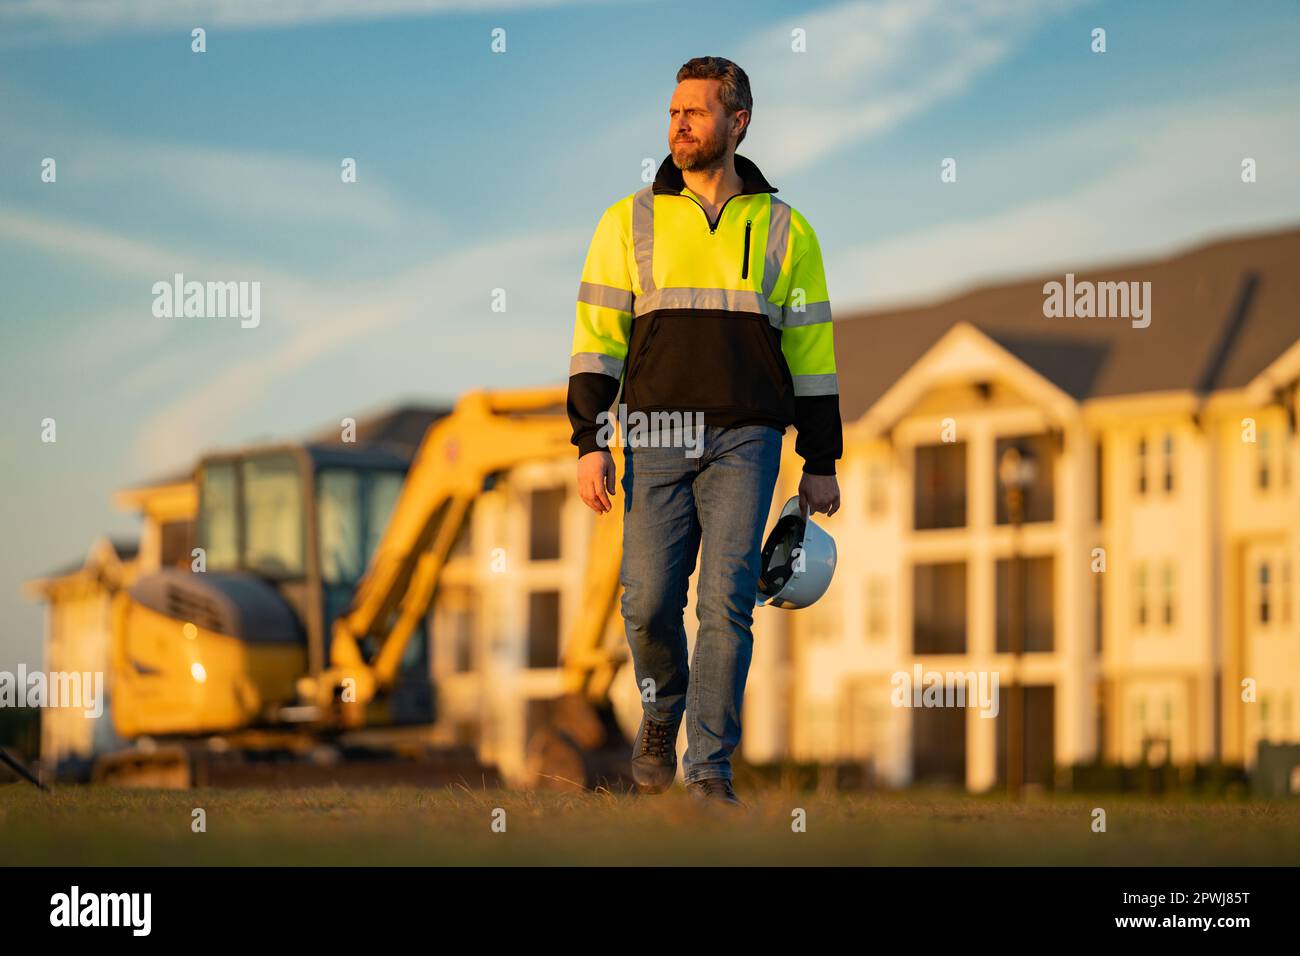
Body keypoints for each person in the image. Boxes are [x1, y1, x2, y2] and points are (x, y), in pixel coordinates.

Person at [566, 56, 842, 806]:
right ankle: (661, 711)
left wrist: (821, 456)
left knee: (726, 600)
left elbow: (812, 353)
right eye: (673, 111)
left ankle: (709, 771)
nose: (678, 123)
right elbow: (597, 340)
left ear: (737, 122)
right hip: (656, 434)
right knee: (646, 600)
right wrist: (590, 442)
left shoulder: (787, 230)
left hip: (747, 437)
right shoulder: (629, 222)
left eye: (695, 110)